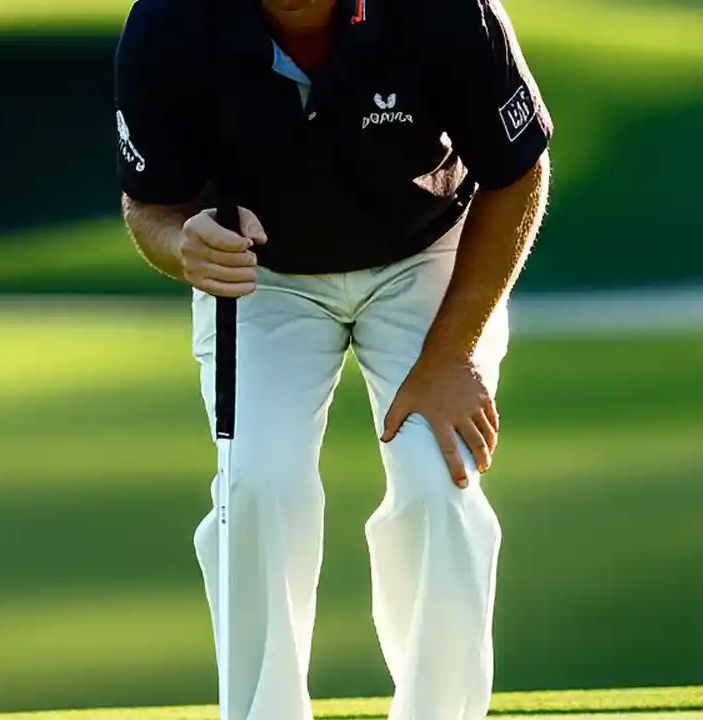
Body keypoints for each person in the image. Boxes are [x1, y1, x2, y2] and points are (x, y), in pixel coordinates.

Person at [114, 0, 551, 717]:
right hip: (263, 274)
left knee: (440, 482)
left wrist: (452, 354)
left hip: (427, 253)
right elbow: (150, 205)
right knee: (257, 485)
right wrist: (184, 246)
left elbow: (518, 171)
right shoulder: (171, 18)